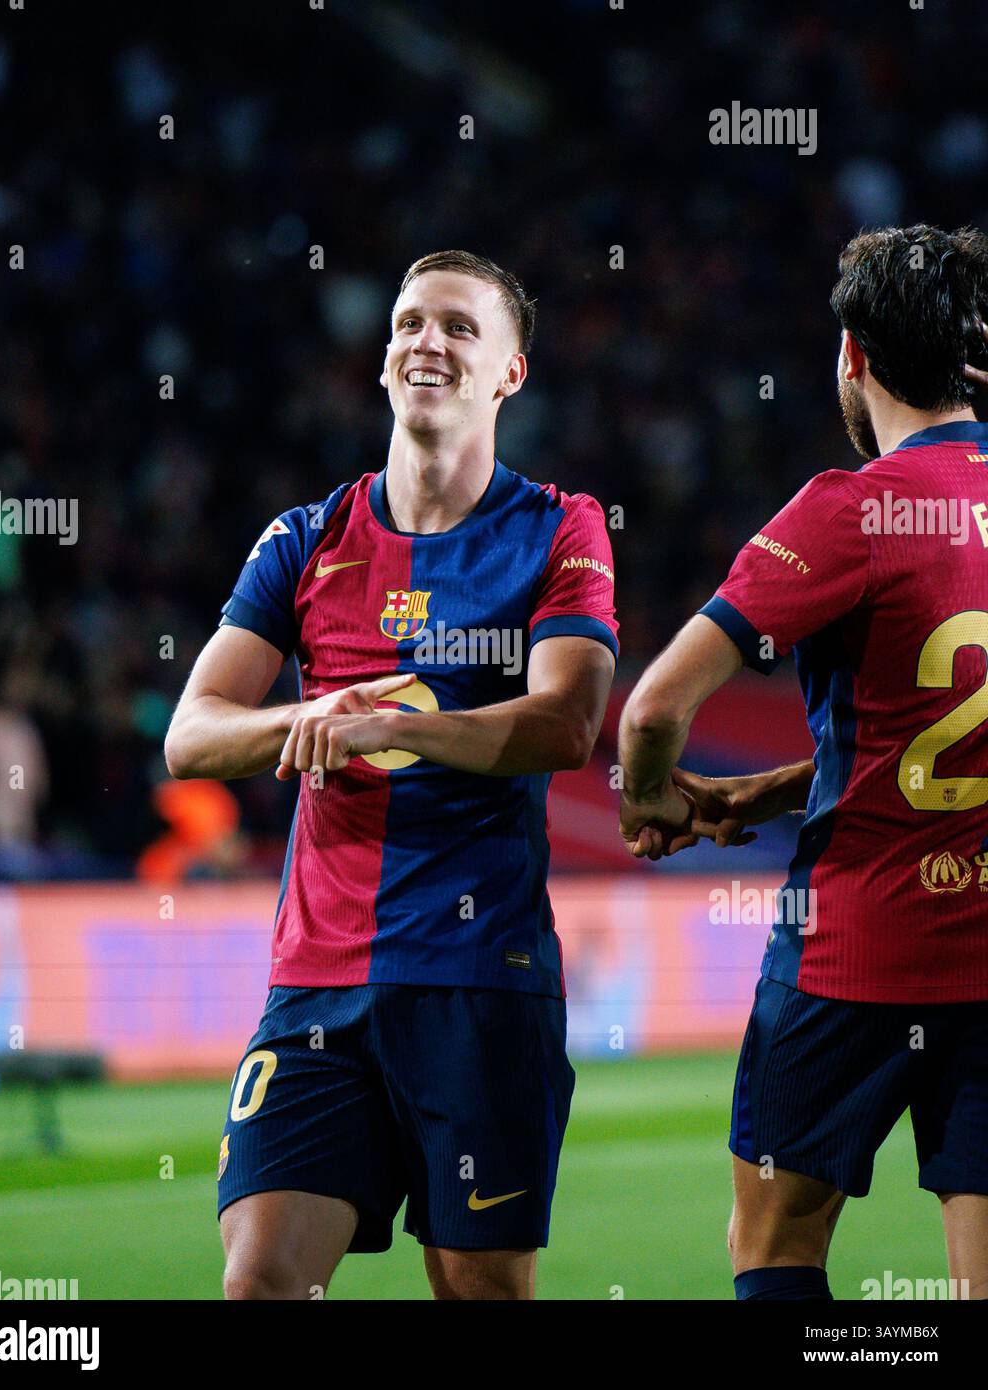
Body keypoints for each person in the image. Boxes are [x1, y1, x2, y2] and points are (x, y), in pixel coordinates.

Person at [165, 250, 617, 1300]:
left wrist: (388, 731)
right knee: (260, 1283)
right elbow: (192, 735)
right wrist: (312, 714)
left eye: (460, 328)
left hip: (478, 978)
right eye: (410, 322)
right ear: (382, 360)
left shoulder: (558, 526)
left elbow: (566, 723)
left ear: (510, 373)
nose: (427, 342)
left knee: (478, 1292)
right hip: (315, 983)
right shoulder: (305, 535)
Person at [617, 224, 988, 1300]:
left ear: (850, 357)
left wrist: (652, 799)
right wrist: (781, 786)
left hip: (851, 958)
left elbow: (651, 708)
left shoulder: (850, 509)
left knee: (775, 1250)